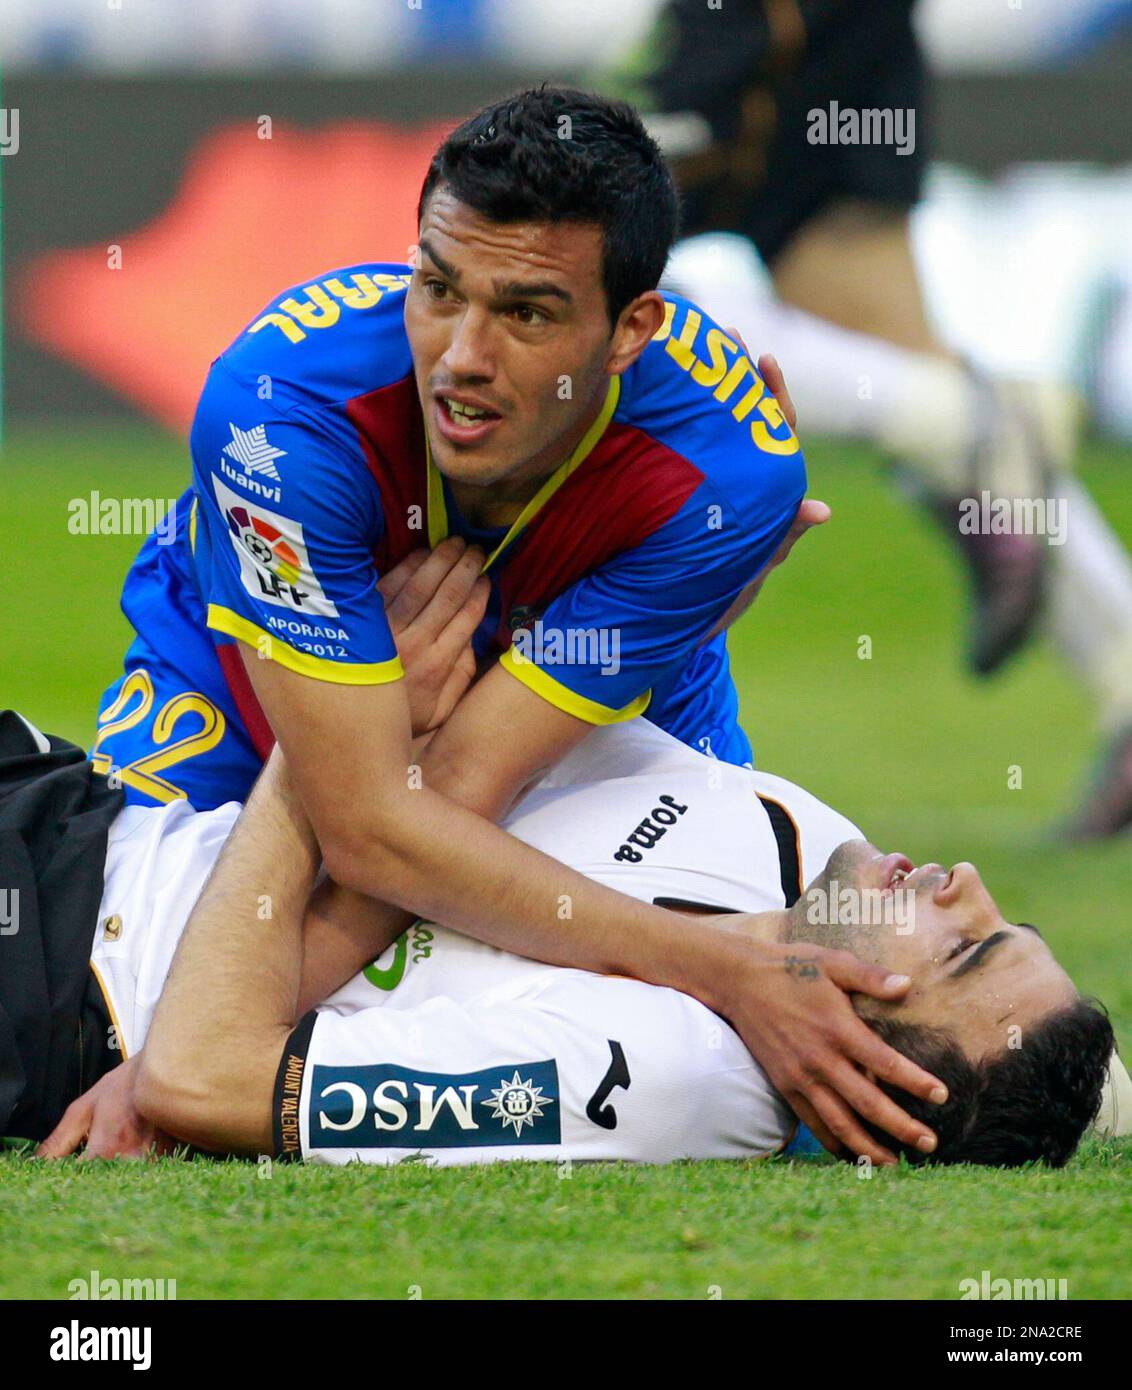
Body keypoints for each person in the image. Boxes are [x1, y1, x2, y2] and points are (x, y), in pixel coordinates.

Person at [85, 86, 953, 1161]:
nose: (461, 357)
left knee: (655, 990)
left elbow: (447, 793)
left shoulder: (723, 473)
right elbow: (371, 827)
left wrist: (196, 1061)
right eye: (439, 289)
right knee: (115, 975)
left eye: (528, 312)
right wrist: (178, 1047)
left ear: (631, 327)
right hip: (238, 684)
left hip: (560, 700)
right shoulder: (280, 412)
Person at [10, 710, 1114, 1169]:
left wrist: (330, 741)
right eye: (997, 917)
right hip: (77, 803)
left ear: (874, 1084)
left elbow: (205, 1073)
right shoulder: (801, 834)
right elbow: (453, 739)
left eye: (962, 947)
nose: (965, 884)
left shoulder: (668, 1078)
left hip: (57, 979)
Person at [606, 0, 1132, 836]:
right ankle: (973, 432)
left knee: (600, 267)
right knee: (888, 356)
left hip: (789, 32)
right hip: (820, 38)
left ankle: (961, 420)